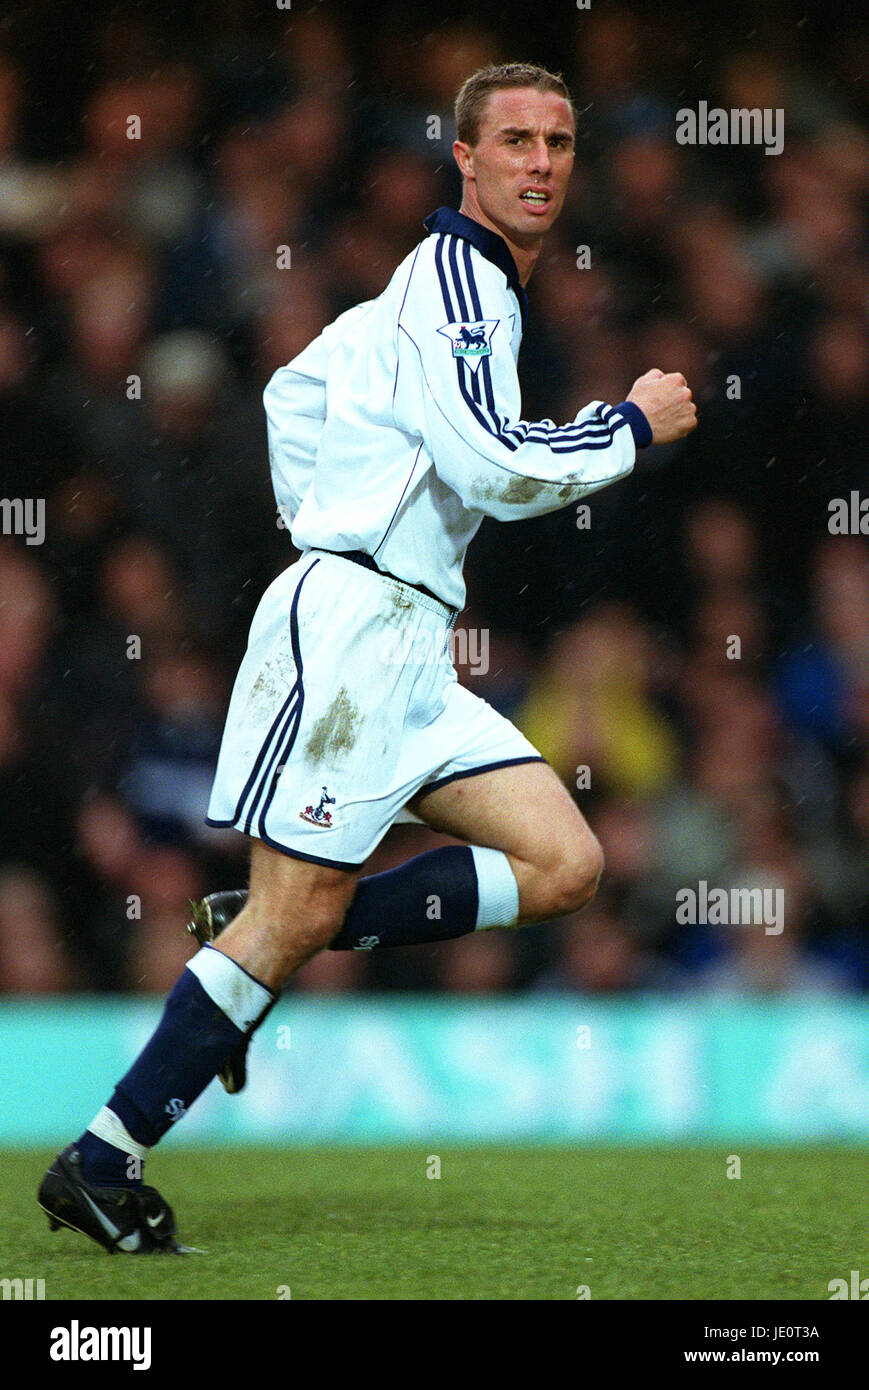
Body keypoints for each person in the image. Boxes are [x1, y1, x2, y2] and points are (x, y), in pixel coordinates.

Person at [38, 62, 696, 1253]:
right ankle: (101, 1156)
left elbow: (296, 393)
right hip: (351, 635)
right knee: (291, 921)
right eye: (514, 142)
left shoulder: (452, 286)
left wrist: (335, 503)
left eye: (556, 141)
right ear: (466, 158)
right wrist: (628, 427)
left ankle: (281, 922)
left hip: (405, 643)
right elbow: (497, 466)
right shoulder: (456, 280)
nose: (540, 162)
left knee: (563, 861)